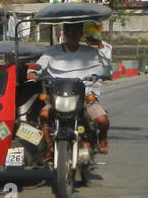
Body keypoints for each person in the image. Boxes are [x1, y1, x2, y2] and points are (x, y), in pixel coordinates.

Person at [38, 22, 110, 152]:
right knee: (43, 115)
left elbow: (106, 61)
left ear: (81, 34)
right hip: (58, 97)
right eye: (69, 32)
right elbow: (40, 64)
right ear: (64, 34)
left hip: (85, 97)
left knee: (102, 120)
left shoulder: (91, 52)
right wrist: (33, 72)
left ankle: (103, 138)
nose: (73, 35)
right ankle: (49, 147)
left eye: (76, 32)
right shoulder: (52, 52)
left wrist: (99, 44)